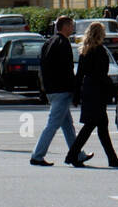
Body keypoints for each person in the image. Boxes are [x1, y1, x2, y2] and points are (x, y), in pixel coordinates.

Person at [31, 15, 93, 168]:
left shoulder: (48, 42)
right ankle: (37, 155)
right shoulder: (63, 43)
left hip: (51, 89)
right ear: (64, 27)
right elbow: (67, 69)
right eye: (71, 25)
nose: (73, 28)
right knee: (53, 124)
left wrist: (45, 89)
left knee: (67, 125)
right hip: (62, 89)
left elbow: (43, 68)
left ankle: (77, 154)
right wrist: (74, 89)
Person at [65, 22, 118, 168]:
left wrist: (76, 95)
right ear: (100, 34)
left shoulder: (85, 51)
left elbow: (79, 75)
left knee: (99, 127)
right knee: (92, 126)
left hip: (89, 90)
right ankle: (72, 155)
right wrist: (115, 88)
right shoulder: (99, 51)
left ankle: (112, 159)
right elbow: (102, 75)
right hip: (97, 92)